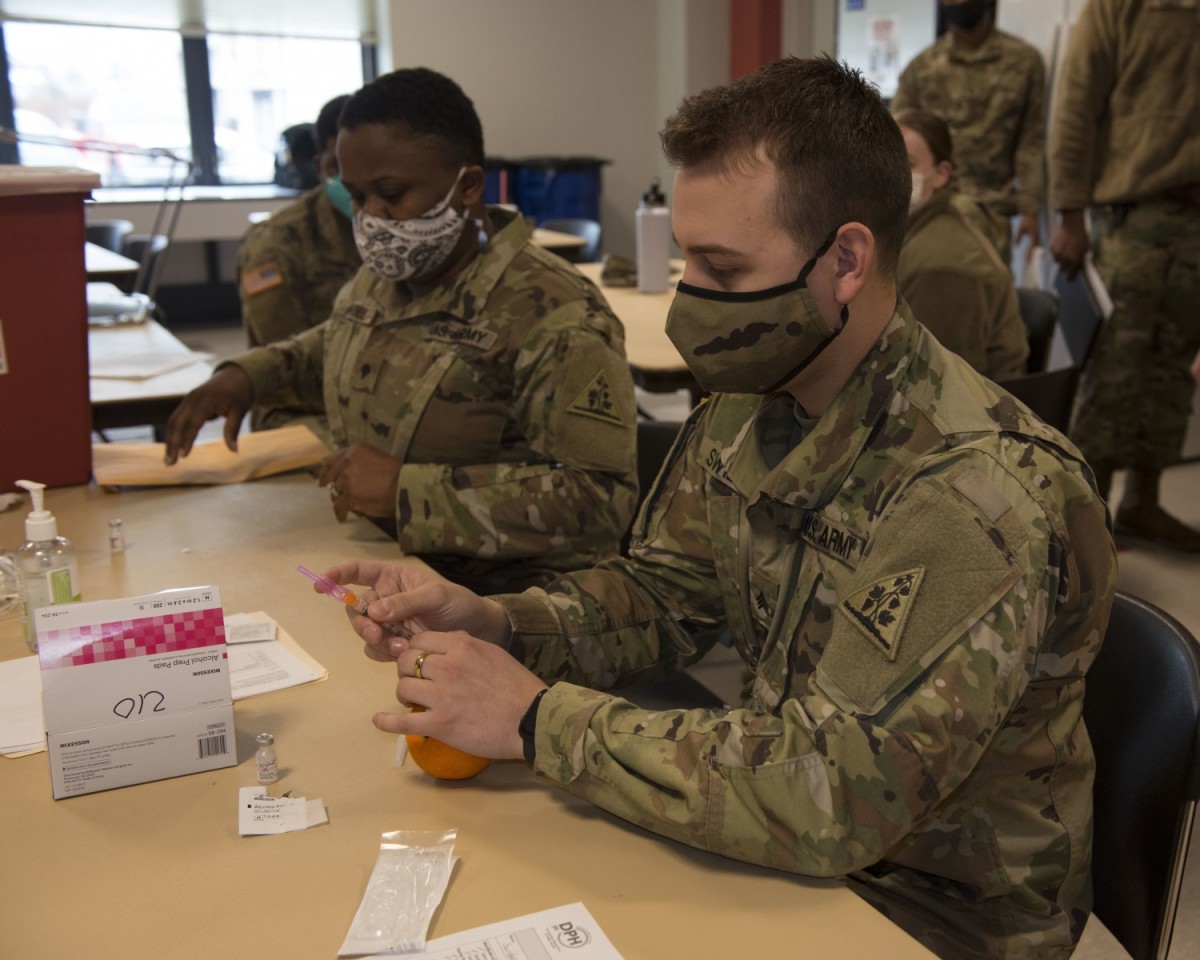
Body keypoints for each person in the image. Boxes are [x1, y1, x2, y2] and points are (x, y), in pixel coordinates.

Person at [323, 57, 1117, 960]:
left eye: (723, 269)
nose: (688, 297)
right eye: (687, 257)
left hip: (931, 913)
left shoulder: (978, 492)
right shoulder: (753, 404)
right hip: (780, 849)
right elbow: (665, 594)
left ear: (846, 261)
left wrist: (538, 720)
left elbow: (838, 792)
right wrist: (502, 624)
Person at [166, 68, 638, 594]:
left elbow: (601, 500)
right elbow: (336, 342)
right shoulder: (387, 277)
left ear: (468, 187)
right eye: (356, 196)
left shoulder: (556, 316)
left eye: (390, 193)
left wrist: (407, 491)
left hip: (508, 603)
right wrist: (248, 376)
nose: (373, 217)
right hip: (384, 565)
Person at [1049, 0, 1200, 553]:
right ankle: (1087, 518)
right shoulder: (1116, 6)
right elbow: (1076, 107)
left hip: (1195, 224)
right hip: (1130, 220)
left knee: (1172, 374)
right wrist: (1069, 213)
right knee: (1112, 373)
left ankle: (1143, 502)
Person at [238, 95, 362, 434]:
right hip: (302, 411)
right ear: (321, 165)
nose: (355, 184)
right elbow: (282, 359)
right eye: (340, 168)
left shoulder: (396, 228)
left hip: (378, 403)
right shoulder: (276, 244)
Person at [892, 0, 1046, 267]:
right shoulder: (922, 67)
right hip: (931, 208)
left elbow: (1030, 141)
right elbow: (896, 138)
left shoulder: (1024, 62)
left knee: (983, 285)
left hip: (992, 212)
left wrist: (1031, 210)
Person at [896, 108, 1028, 381]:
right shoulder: (909, 230)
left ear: (941, 174)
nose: (889, 172)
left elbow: (935, 383)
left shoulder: (942, 267)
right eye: (884, 159)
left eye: (907, 163)